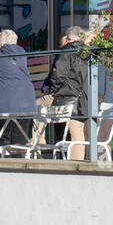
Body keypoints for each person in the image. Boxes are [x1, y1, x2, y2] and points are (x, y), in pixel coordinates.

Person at [38, 26, 90, 158]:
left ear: (68, 39)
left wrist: (53, 91)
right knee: (77, 133)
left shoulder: (66, 51)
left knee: (37, 107)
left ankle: (38, 143)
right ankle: (77, 162)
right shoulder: (89, 52)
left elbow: (57, 74)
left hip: (66, 98)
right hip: (83, 99)